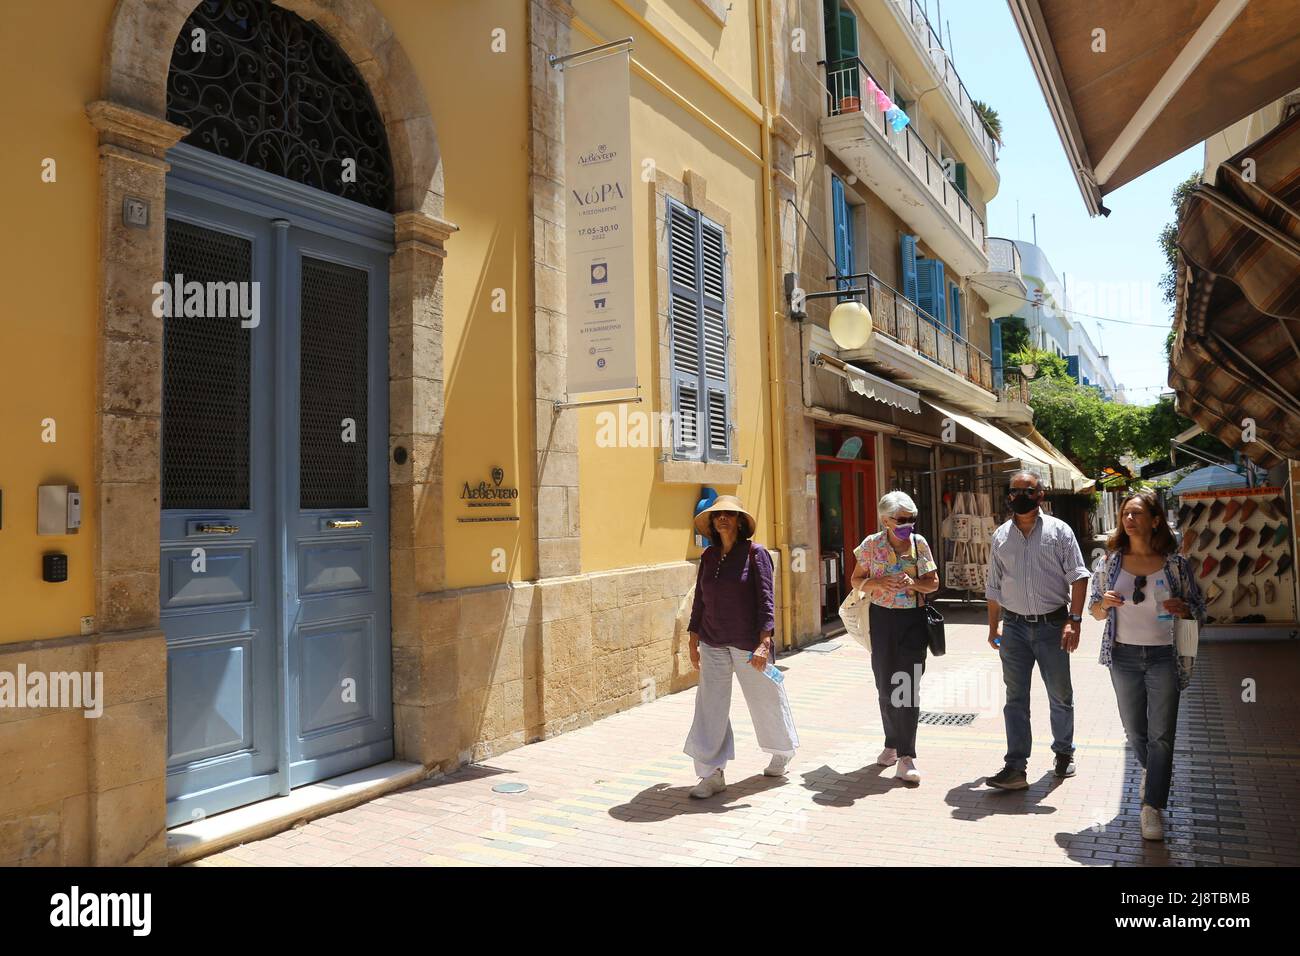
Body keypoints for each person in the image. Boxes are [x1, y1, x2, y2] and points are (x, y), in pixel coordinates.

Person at [1088, 489, 1204, 841]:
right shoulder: (1110, 563)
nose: (1129, 519)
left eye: (1136, 513)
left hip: (1164, 656)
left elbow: (1199, 608)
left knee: (1161, 735)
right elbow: (1094, 611)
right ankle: (1151, 771)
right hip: (1122, 656)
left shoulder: (1175, 565)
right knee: (1135, 731)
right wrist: (1104, 604)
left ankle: (1151, 806)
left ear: (1155, 520)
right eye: (1125, 513)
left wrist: (1184, 609)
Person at [684, 495, 799, 798]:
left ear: (740, 521)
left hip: (749, 644)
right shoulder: (709, 556)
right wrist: (693, 638)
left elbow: (766, 600)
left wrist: (765, 642)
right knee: (710, 706)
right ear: (711, 522)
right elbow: (700, 600)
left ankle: (781, 750)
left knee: (765, 698)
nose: (722, 519)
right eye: (717, 515)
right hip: (712, 641)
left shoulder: (755, 553)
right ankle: (711, 772)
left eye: (729, 515)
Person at [984, 470, 1091, 789]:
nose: (1020, 496)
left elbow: (1079, 576)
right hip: (1014, 628)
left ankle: (1064, 753)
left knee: (1059, 694)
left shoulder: (1060, 532)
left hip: (1053, 626)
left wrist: (1074, 621)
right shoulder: (1000, 536)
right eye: (1014, 491)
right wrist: (993, 627)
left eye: (1027, 491)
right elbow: (994, 586)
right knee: (1014, 698)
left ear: (1041, 495)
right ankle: (1015, 767)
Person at [849, 491, 940, 784]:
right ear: (886, 520)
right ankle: (891, 743)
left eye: (912, 519)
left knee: (907, 688)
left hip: (913, 621)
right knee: (886, 687)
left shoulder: (919, 544)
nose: (908, 524)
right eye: (902, 520)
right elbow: (856, 580)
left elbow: (933, 583)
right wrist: (877, 582)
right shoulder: (871, 545)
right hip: (882, 620)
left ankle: (906, 756)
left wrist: (913, 583)